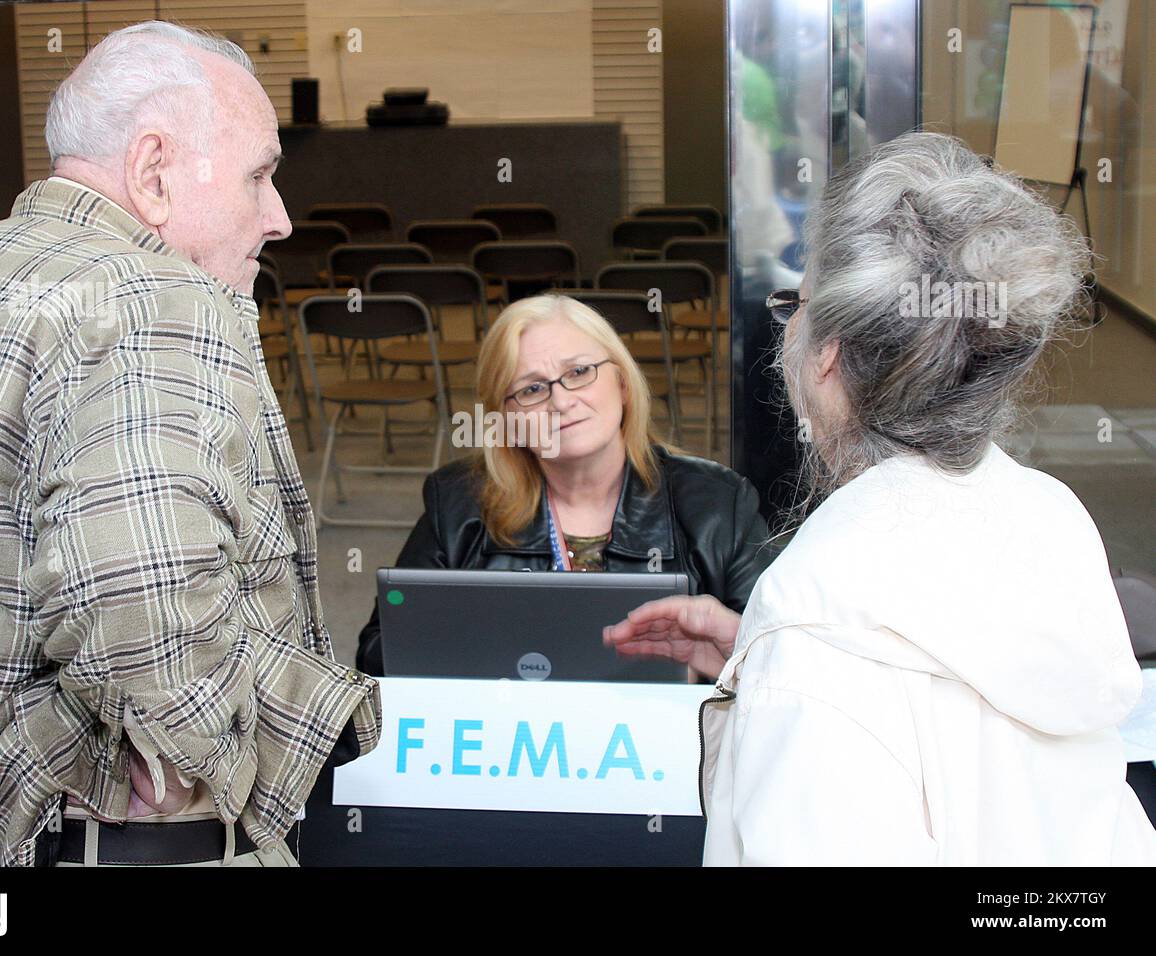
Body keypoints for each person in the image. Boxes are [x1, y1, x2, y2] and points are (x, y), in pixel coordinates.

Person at [0, 21, 378, 867]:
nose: (279, 217)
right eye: (260, 176)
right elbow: (139, 591)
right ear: (153, 171)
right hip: (93, 840)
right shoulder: (153, 297)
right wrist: (206, 764)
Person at [605, 131, 1156, 864]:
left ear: (828, 356)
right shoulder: (1051, 511)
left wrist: (790, 659)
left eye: (794, 305)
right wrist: (755, 658)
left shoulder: (815, 617)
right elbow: (966, 706)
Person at [356, 294, 770, 677]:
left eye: (578, 372)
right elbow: (377, 654)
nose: (561, 400)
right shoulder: (457, 503)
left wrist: (729, 653)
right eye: (532, 388)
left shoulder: (719, 503)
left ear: (623, 382)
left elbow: (784, 663)